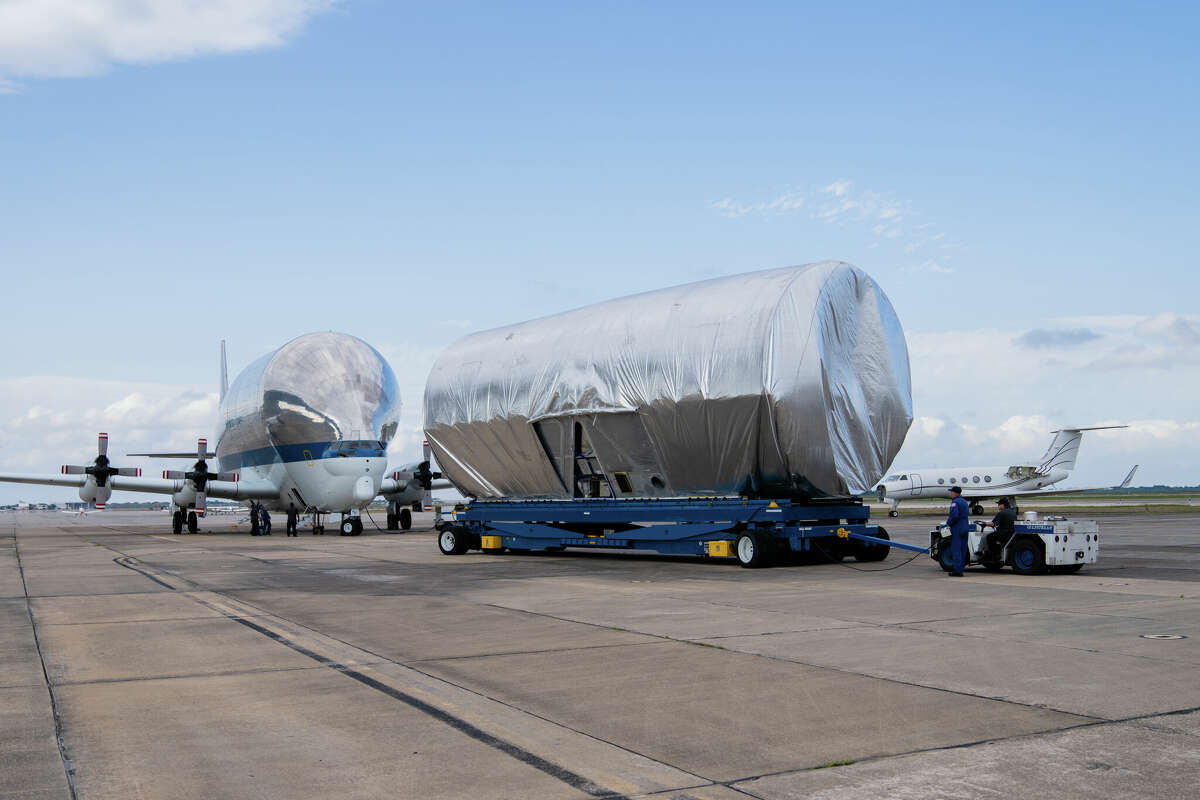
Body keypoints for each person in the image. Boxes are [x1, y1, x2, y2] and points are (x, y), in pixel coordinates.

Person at [944, 485, 970, 576]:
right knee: (963, 549)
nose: (950, 493)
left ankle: (957, 571)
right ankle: (961, 568)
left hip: (957, 527)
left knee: (956, 549)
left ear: (955, 493)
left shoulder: (955, 502)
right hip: (965, 526)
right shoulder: (964, 501)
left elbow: (954, 515)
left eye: (951, 492)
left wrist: (948, 523)